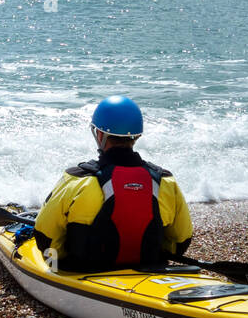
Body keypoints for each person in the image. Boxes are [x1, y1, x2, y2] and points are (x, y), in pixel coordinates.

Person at [33, 95, 193, 271]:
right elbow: (181, 240)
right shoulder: (165, 181)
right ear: (137, 136)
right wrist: (156, 259)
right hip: (149, 268)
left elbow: (45, 234)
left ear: (100, 134)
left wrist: (57, 265)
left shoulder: (78, 179)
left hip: (82, 270)